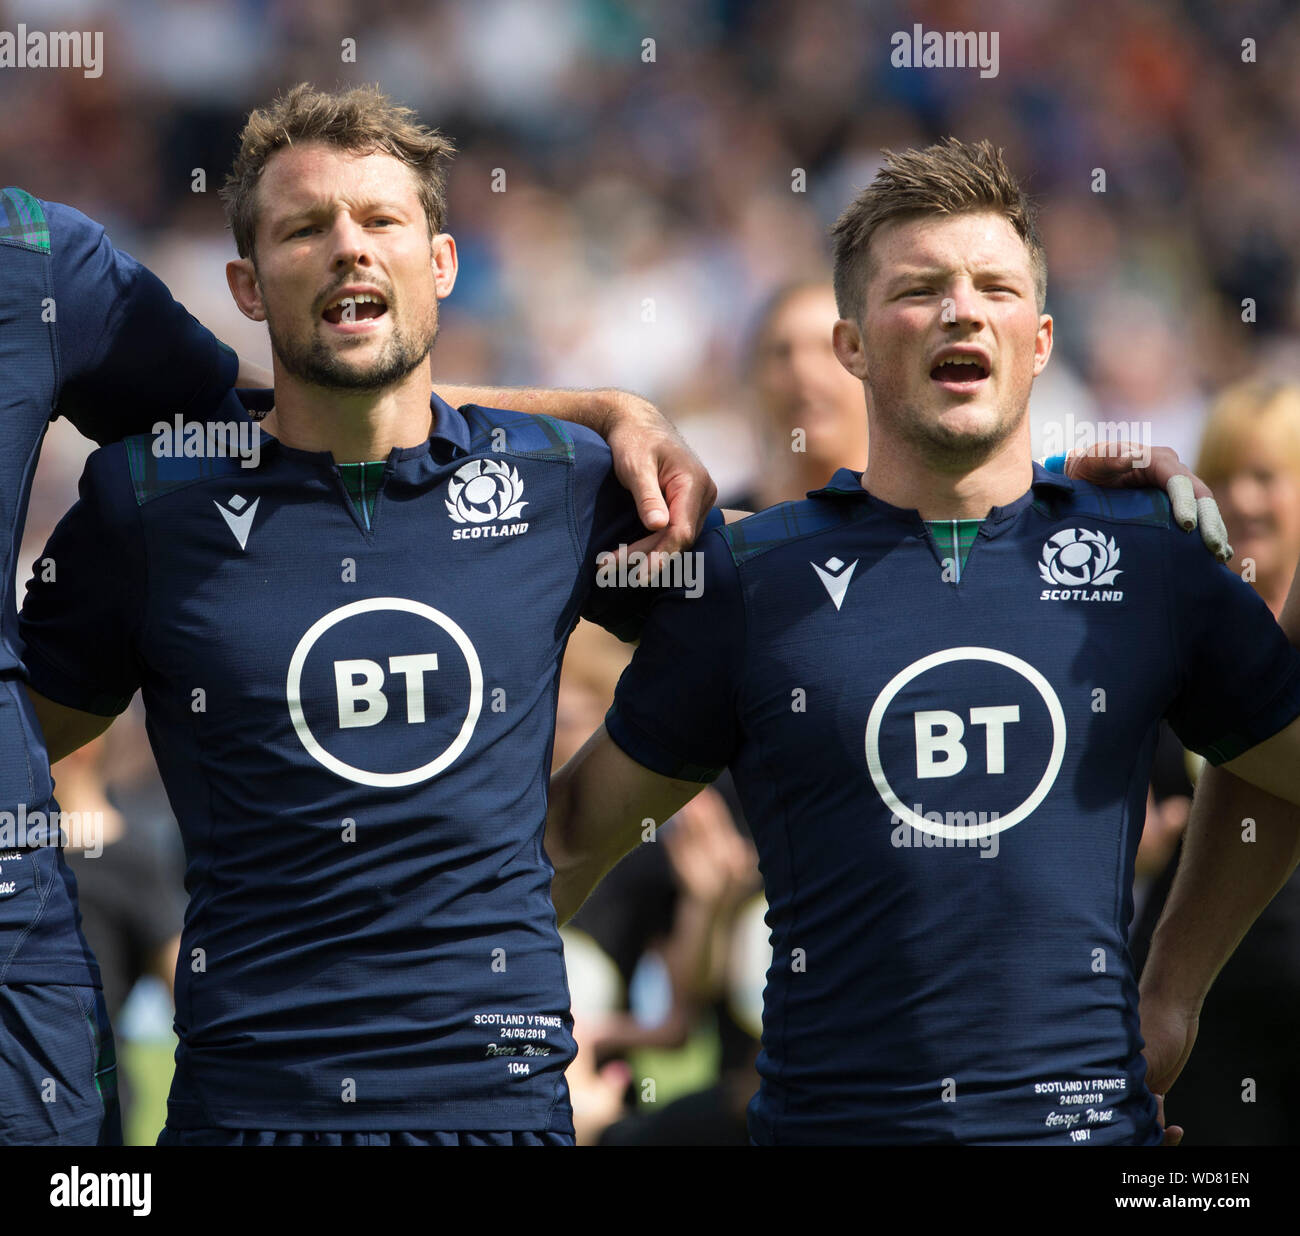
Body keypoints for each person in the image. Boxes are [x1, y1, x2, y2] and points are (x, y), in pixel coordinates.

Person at [545, 138, 1300, 1145]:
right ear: (851, 344)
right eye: (919, 289)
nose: (959, 308)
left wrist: (1171, 993)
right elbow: (571, 837)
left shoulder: (1147, 555)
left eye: (991, 285)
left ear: (1036, 340)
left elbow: (1277, 762)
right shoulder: (750, 582)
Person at [16, 82, 718, 1147]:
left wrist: (580, 827)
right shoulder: (149, 507)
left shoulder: (568, 489)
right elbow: (37, 732)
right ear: (246, 286)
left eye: (382, 220)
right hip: (245, 1115)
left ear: (441, 263)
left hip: (497, 1111)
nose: (348, 247)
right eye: (305, 227)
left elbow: (760, 637)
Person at [1134, 381, 1300, 1143]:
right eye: (1225, 475)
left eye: (1267, 476)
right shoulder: (1168, 633)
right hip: (1212, 1029)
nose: (1243, 498)